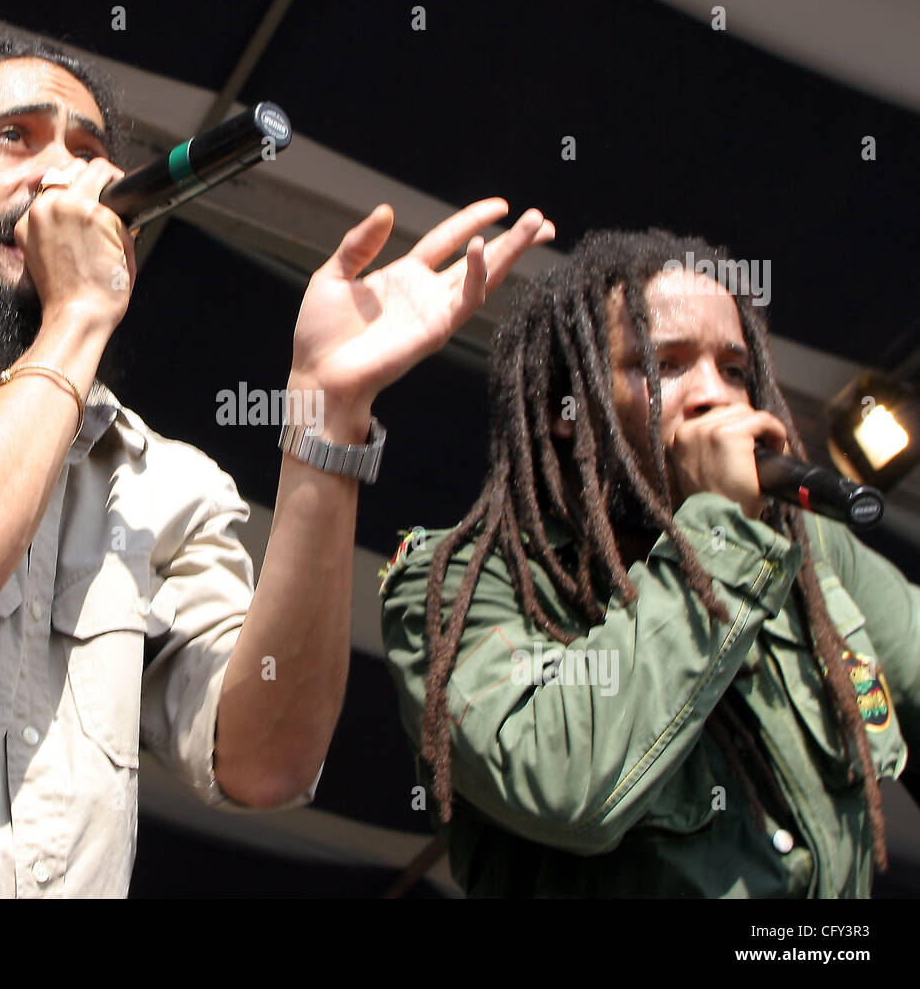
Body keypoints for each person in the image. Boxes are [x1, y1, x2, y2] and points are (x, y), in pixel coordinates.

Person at [0, 31, 553, 897]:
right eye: (15, 137)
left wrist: (330, 405)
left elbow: (264, 759)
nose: (64, 177)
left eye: (89, 152)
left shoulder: (160, 480)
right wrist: (77, 318)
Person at [380, 228, 920, 898]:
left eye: (734, 370)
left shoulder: (805, 547)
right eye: (664, 365)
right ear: (564, 411)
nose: (714, 396)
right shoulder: (462, 582)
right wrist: (721, 533)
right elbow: (566, 784)